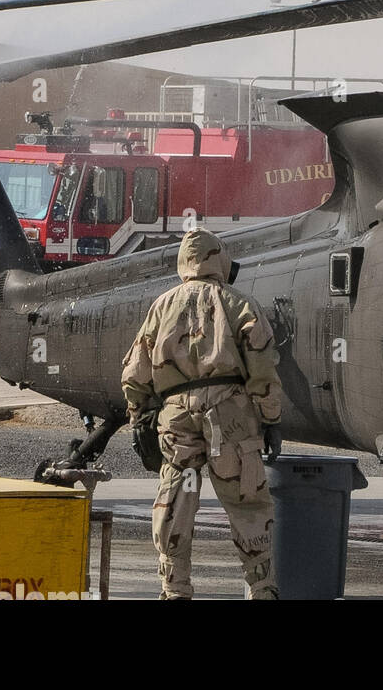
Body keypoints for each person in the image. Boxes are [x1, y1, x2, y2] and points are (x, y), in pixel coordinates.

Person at [122, 226, 282, 600]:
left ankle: (174, 588)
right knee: (246, 503)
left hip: (177, 415)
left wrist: (139, 415)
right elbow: (263, 367)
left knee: (176, 500)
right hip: (231, 414)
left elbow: (134, 373)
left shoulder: (162, 305)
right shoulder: (239, 302)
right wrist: (270, 418)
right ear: (220, 261)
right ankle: (262, 588)